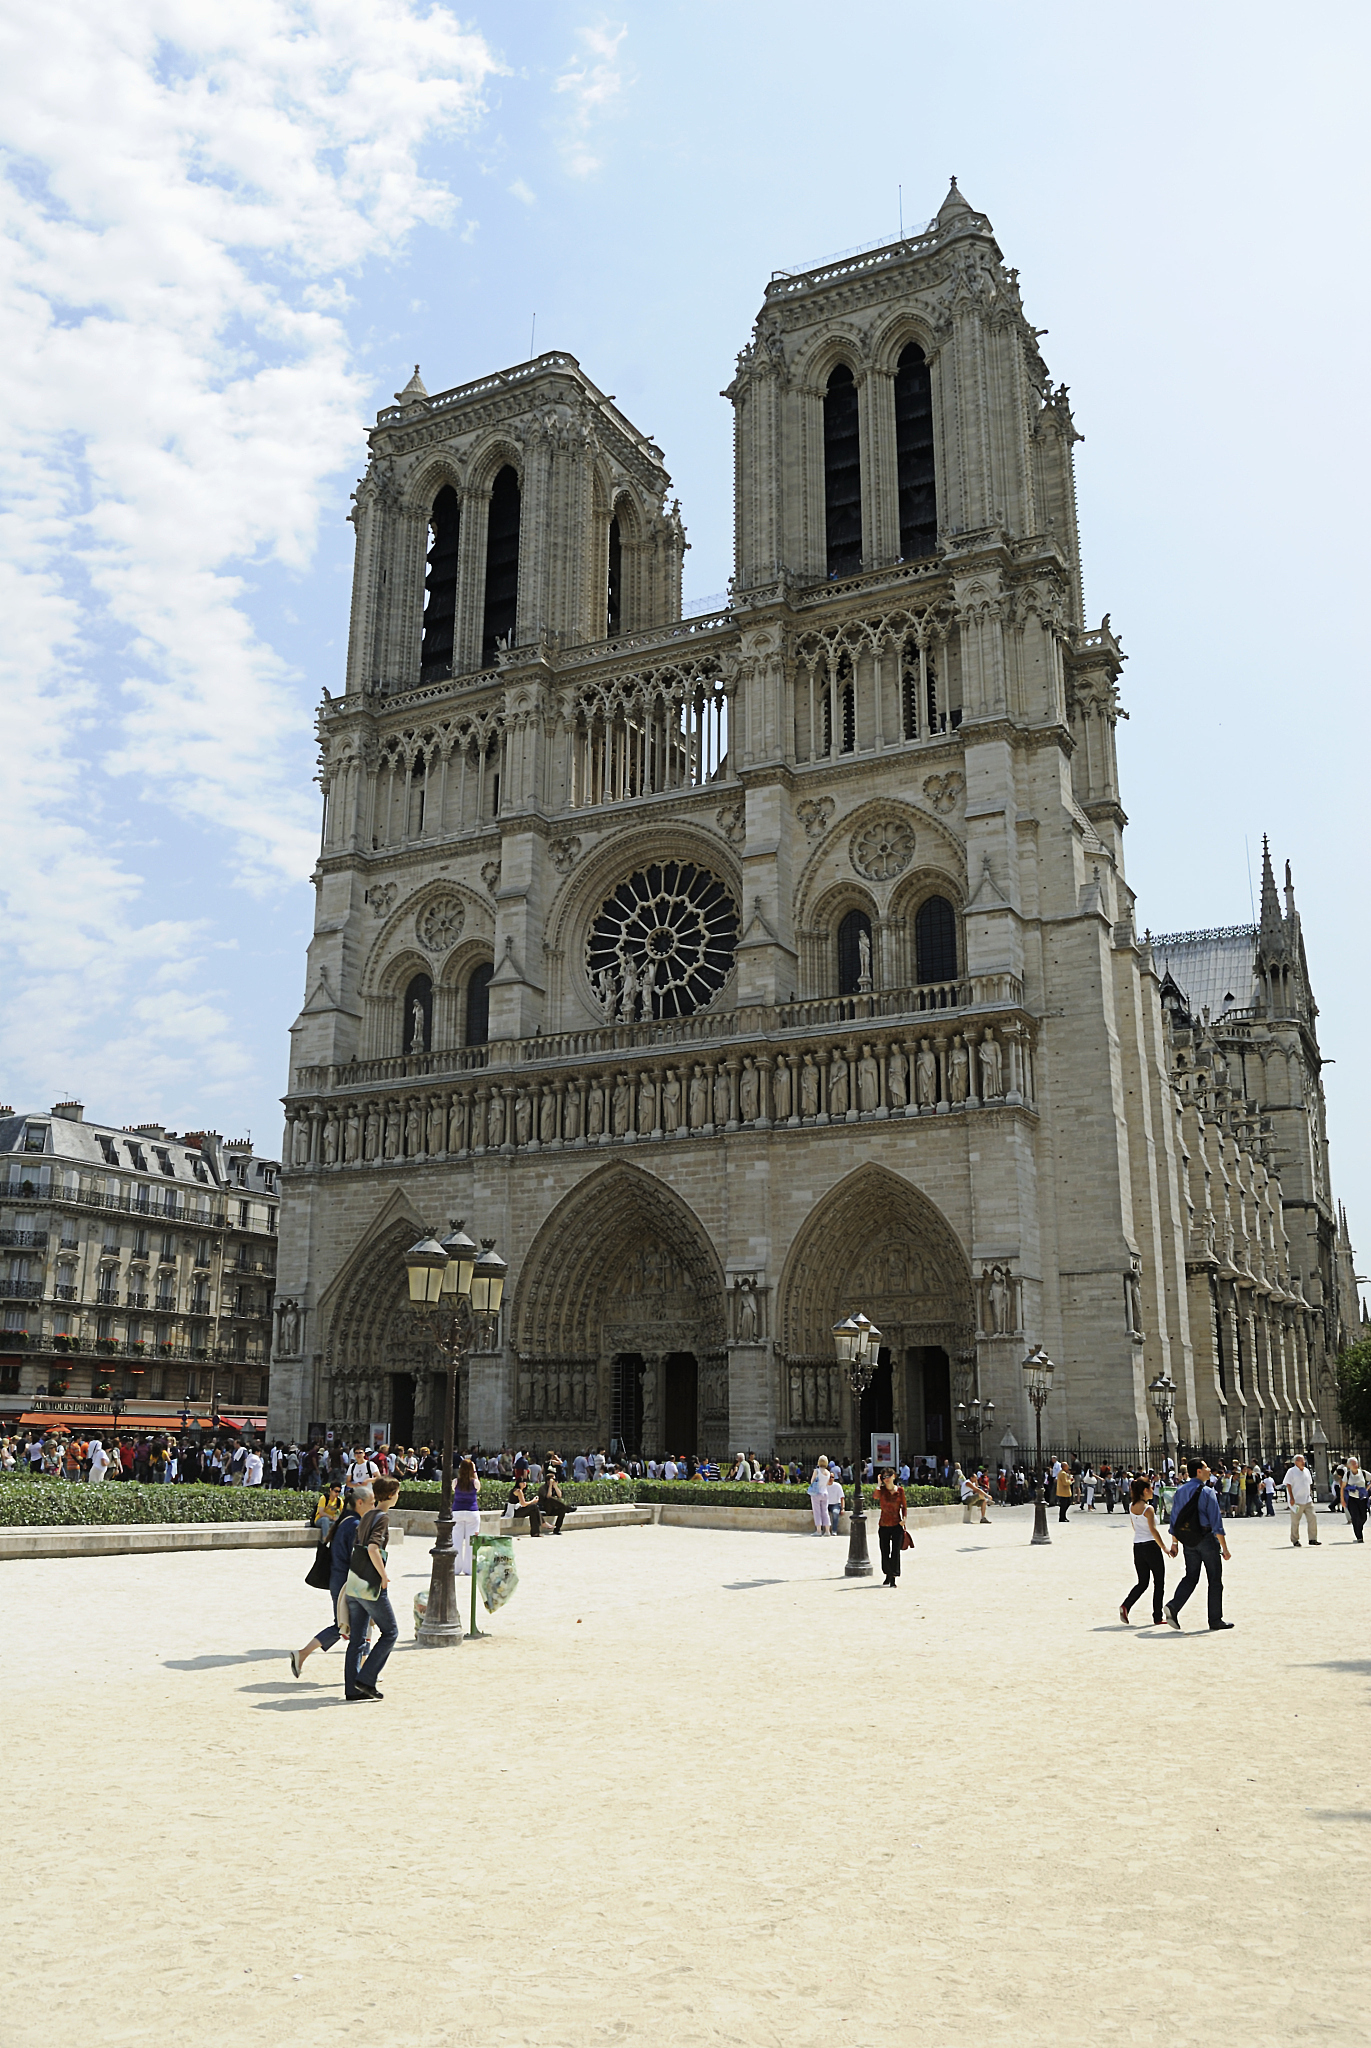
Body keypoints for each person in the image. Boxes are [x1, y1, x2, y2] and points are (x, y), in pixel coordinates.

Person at [291, 1485, 367, 1679]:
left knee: (346, 1625)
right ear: (360, 1502)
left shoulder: (344, 1521)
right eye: (371, 1502)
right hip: (346, 1582)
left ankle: (303, 1654)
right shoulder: (354, 1524)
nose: (373, 1506)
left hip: (337, 1579)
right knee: (352, 1625)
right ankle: (363, 1670)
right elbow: (355, 1557)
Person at [342, 1477, 400, 1701]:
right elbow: (373, 1548)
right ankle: (366, 1679)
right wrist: (384, 1576)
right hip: (370, 1583)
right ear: (390, 1494)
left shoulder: (366, 1516)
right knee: (391, 1632)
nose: (398, 1496)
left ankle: (352, 1688)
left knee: (357, 1638)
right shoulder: (383, 1518)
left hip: (355, 1581)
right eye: (397, 1492)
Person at [1163, 1458, 1233, 1632]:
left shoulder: (1179, 1491)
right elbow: (1217, 1524)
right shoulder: (1208, 1492)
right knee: (1215, 1580)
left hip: (1189, 1540)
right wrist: (1224, 1548)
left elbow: (1175, 1520)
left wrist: (1175, 1543)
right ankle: (1215, 1619)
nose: (1210, 1469)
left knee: (1191, 1577)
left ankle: (1174, 1605)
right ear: (1199, 1472)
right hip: (1207, 1538)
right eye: (1206, 1467)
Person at [1119, 1476, 1175, 1625]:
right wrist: (1164, 1547)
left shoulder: (1132, 1507)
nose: (1152, 1491)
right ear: (1145, 1490)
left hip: (1137, 1546)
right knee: (1159, 1582)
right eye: (1150, 1488)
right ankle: (1157, 1616)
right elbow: (1153, 1530)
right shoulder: (1148, 1509)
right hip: (1151, 1546)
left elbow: (1135, 1527)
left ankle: (1126, 1605)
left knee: (1142, 1582)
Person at [875, 1468, 908, 1587]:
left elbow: (904, 1506)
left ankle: (893, 1577)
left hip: (896, 1524)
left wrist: (904, 1518)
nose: (886, 1479)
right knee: (884, 1551)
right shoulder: (882, 1490)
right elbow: (875, 1496)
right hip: (883, 1524)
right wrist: (879, 1484)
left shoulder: (900, 1490)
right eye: (884, 1477)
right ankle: (887, 1574)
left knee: (895, 1552)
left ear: (894, 1476)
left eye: (888, 1476)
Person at [452, 1456, 482, 1572]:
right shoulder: (474, 1482)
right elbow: (478, 1486)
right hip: (472, 1512)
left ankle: (456, 1568)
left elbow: (454, 1490)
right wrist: (474, 1471)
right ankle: (469, 1569)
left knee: (456, 1541)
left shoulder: (455, 1482)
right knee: (471, 1543)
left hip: (457, 1511)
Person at [1283, 1453, 1320, 1547]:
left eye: (1304, 1460)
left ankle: (1313, 1538)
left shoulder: (1307, 1471)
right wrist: (1291, 1497)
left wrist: (1310, 1493)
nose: (1303, 1462)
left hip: (1307, 1499)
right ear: (1296, 1462)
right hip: (1297, 1500)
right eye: (1301, 1460)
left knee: (1312, 1518)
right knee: (1295, 1521)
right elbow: (1288, 1484)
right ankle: (1295, 1540)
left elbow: (1310, 1483)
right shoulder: (1291, 1471)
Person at [537, 1463, 575, 1536]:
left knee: (562, 1510)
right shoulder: (542, 1488)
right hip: (546, 1508)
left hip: (554, 1508)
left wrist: (556, 1487)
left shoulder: (554, 1487)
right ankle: (567, 1508)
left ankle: (557, 1529)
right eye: (553, 1479)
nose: (555, 1480)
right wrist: (550, 1486)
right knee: (550, 1499)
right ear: (548, 1480)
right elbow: (548, 1497)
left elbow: (559, 1495)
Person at [1340, 1455, 1369, 1543]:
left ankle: (1359, 1528)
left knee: (1363, 1517)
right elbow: (1343, 1487)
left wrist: (1366, 1489)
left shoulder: (1363, 1473)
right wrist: (1342, 1500)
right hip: (1352, 1498)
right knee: (1355, 1517)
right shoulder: (1348, 1474)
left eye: (1356, 1463)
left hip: (1362, 1498)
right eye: (1352, 1463)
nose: (1355, 1465)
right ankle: (1359, 1536)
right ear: (1349, 1466)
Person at [808, 1456, 832, 1535]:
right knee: (825, 1511)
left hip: (816, 1493)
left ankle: (818, 1530)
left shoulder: (816, 1471)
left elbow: (812, 1481)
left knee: (817, 1511)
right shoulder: (828, 1472)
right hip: (825, 1493)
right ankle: (827, 1530)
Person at [826, 1463, 845, 1534]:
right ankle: (823, 1530)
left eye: (832, 1477)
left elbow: (842, 1497)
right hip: (826, 1504)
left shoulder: (837, 1486)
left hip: (836, 1504)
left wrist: (842, 1508)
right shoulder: (823, 1486)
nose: (831, 1479)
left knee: (835, 1513)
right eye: (829, 1477)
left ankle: (834, 1530)